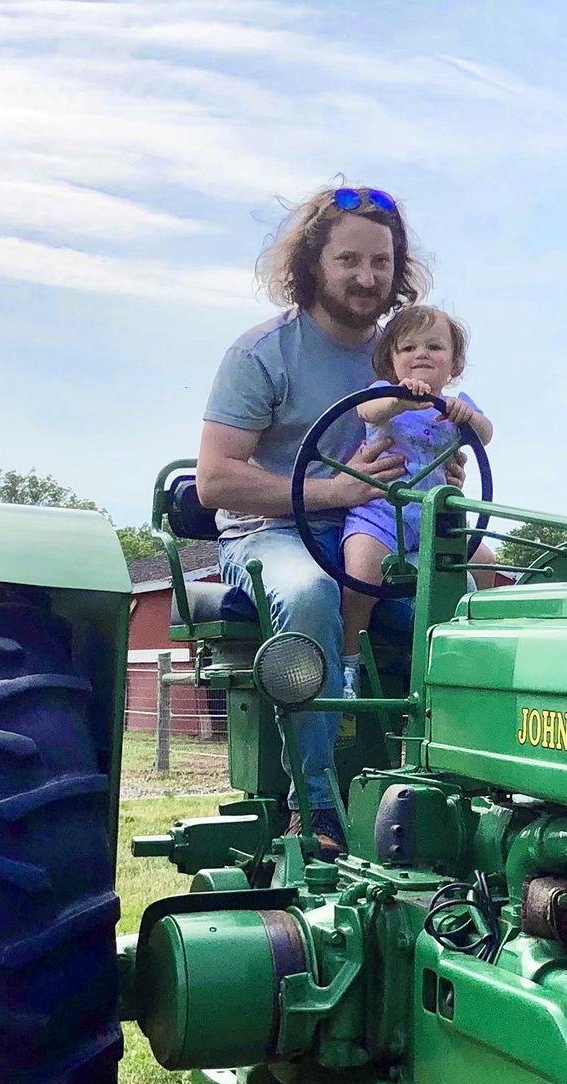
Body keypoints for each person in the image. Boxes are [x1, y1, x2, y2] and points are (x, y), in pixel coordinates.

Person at [194, 184, 424, 858]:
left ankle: (440, 790)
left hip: (375, 531)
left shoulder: (400, 356)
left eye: (380, 262)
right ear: (313, 265)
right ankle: (315, 807)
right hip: (272, 534)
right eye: (349, 260)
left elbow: (420, 444)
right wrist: (333, 491)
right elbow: (214, 480)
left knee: (459, 610)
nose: (367, 277)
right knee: (309, 593)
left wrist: (442, 468)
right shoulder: (263, 353)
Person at [341, 305, 495, 655]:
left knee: (485, 562)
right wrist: (400, 401)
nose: (421, 353)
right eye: (408, 348)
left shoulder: (457, 406)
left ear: (454, 364)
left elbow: (485, 435)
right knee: (360, 582)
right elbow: (367, 411)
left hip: (435, 523)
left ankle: (476, 648)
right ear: (391, 361)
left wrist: (469, 418)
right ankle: (351, 660)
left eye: (434, 347)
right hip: (380, 516)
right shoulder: (384, 393)